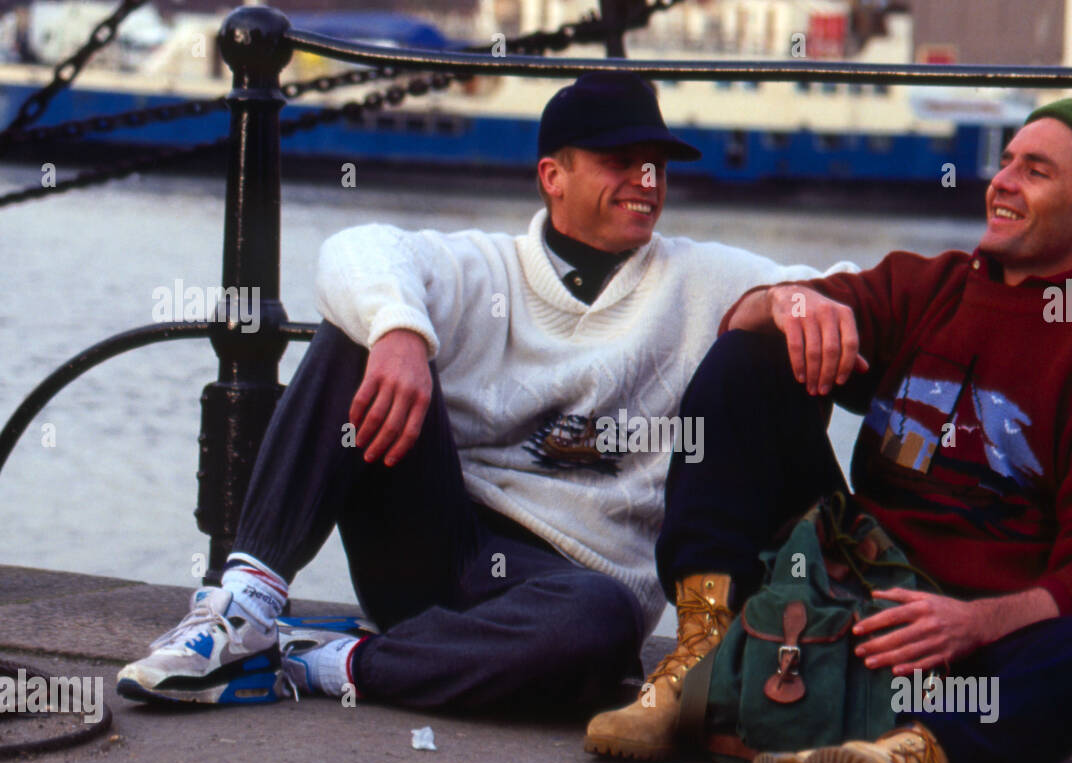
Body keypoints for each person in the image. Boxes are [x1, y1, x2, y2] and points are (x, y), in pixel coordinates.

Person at [116, 72, 855, 712]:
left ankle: (319, 664)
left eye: (657, 164)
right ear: (552, 176)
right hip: (435, 545)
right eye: (619, 161)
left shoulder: (700, 278)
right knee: (362, 326)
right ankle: (243, 609)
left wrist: (796, 299)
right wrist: (401, 331)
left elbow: (842, 282)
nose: (646, 180)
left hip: (567, 593)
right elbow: (357, 249)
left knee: (603, 624)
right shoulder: (487, 269)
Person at [584, 98, 1072, 763]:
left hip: (966, 627)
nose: (1001, 182)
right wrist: (793, 302)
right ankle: (699, 660)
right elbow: (743, 320)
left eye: (1035, 170)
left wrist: (972, 623)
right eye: (1004, 163)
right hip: (847, 571)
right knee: (750, 357)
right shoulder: (931, 286)